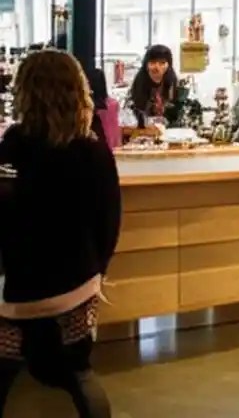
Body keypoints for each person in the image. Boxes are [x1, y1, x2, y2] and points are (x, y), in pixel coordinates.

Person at [0, 49, 120, 417]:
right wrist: (96, 270)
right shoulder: (94, 151)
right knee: (80, 372)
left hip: (18, 288)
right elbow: (109, 221)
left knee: (3, 368)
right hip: (78, 284)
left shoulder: (12, 147)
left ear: (25, 92)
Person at [126, 44, 177, 129]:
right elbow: (136, 109)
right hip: (143, 128)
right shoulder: (140, 80)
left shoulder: (172, 80)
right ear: (146, 64)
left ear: (169, 65)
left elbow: (174, 108)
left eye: (162, 63)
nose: (157, 67)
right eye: (152, 62)